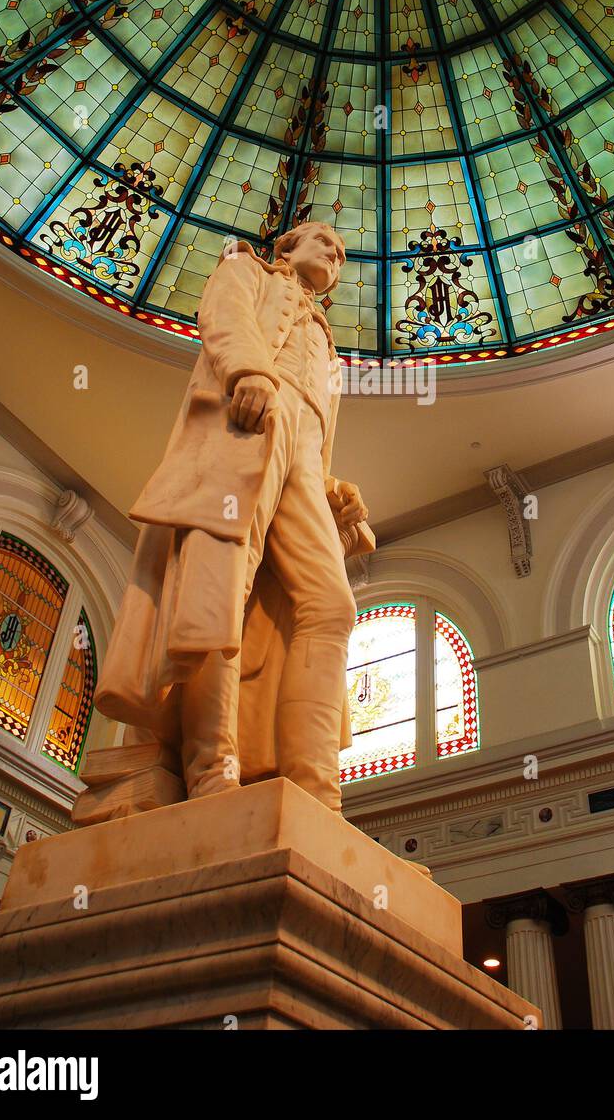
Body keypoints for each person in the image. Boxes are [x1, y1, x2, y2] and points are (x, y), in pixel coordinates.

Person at [93, 221, 369, 813]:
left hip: (299, 453)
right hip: (245, 429)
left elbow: (319, 434)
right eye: (323, 239)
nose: (335, 252)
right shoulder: (247, 268)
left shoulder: (332, 352)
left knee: (331, 606)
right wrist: (248, 371)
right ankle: (211, 770)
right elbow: (224, 319)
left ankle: (315, 797)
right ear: (286, 248)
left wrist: (332, 487)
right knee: (221, 591)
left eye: (342, 252)